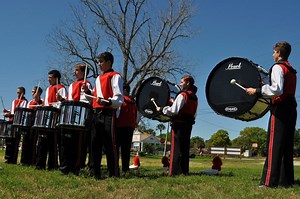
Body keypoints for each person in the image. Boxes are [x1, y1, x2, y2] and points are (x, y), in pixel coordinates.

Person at [246, 41, 297, 188]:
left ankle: (269, 182)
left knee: (274, 145)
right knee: (286, 145)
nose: (272, 54)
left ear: (279, 53)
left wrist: (257, 90)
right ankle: (286, 181)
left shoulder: (278, 67)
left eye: (274, 52)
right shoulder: (291, 69)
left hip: (280, 108)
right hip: (291, 107)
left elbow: (277, 89)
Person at [83, 52, 123, 179]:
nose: (99, 64)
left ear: (109, 62)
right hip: (96, 113)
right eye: (98, 62)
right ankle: (94, 172)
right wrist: (87, 92)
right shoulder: (99, 78)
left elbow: (118, 98)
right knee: (95, 143)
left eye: (101, 61)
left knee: (110, 144)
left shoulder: (115, 76)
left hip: (107, 112)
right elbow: (94, 97)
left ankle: (113, 173)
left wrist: (106, 101)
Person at [157, 75, 198, 176]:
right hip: (188, 125)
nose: (180, 84)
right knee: (184, 149)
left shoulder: (183, 95)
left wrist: (162, 109)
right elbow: (194, 113)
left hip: (178, 125)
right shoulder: (195, 97)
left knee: (176, 149)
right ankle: (184, 171)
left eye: (182, 82)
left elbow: (173, 111)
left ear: (187, 83)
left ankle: (173, 172)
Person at [59, 63, 92, 175]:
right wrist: (62, 99)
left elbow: (89, 100)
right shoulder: (72, 85)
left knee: (78, 144)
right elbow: (69, 99)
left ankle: (76, 168)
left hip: (80, 117)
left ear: (83, 72)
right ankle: (65, 166)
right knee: (66, 142)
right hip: (69, 116)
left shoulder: (87, 84)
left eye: (77, 70)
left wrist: (86, 90)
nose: (74, 72)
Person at [35, 70, 67, 170]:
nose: (48, 79)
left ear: (56, 78)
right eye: (48, 77)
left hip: (55, 117)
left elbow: (63, 103)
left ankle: (52, 166)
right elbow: (45, 103)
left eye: (50, 77)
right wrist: (38, 100)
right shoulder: (48, 89)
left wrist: (60, 99)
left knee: (53, 143)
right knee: (42, 141)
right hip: (46, 116)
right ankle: (40, 164)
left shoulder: (61, 88)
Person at [116, 84, 138, 174]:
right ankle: (125, 168)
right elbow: (137, 115)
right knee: (126, 149)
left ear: (124, 90)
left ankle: (115, 167)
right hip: (130, 127)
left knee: (116, 148)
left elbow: (117, 112)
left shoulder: (121, 100)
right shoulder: (134, 102)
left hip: (119, 126)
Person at [3, 87, 28, 164]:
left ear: (23, 93)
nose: (18, 94)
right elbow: (12, 111)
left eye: (20, 92)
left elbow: (21, 112)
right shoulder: (14, 101)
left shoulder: (24, 101)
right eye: (17, 92)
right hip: (11, 122)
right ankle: (7, 158)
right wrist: (7, 112)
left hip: (17, 123)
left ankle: (13, 159)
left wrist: (10, 114)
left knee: (15, 141)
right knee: (9, 141)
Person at [20, 86, 43, 166]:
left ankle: (32, 161)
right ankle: (24, 161)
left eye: (34, 92)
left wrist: (38, 101)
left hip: (36, 123)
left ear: (39, 93)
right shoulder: (29, 102)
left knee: (33, 142)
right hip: (28, 123)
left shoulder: (41, 101)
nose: (33, 93)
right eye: (32, 92)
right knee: (26, 142)